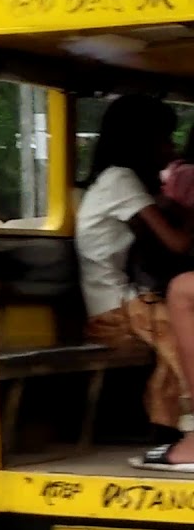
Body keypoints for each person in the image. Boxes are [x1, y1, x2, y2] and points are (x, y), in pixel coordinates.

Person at [71, 94, 194, 471]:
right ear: (141, 139)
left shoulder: (121, 182)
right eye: (165, 138)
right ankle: (187, 432)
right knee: (179, 333)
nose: (171, 148)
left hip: (125, 301)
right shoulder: (119, 179)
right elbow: (178, 243)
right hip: (112, 313)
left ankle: (167, 430)